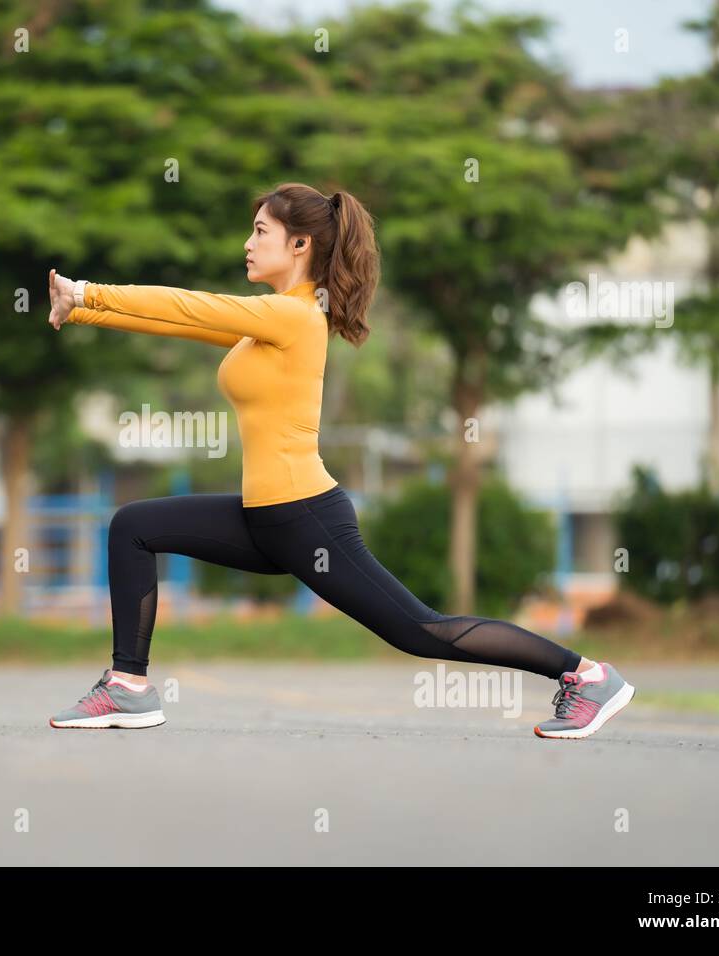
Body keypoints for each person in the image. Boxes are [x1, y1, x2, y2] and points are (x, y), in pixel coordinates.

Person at [42, 182, 635, 739]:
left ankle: (586, 676)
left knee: (422, 632)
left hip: (304, 518)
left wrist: (89, 290)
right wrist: (83, 310)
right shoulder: (272, 321)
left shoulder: (294, 316)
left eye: (259, 232)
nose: (247, 245)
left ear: (300, 244)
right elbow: (175, 322)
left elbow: (192, 307)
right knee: (134, 527)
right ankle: (128, 686)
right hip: (264, 518)